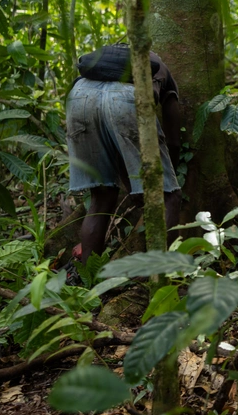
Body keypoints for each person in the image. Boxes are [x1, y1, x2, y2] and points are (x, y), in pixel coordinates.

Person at [66, 44, 182, 265]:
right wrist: (165, 180)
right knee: (169, 198)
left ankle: (88, 277)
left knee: (101, 198)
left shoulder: (105, 59)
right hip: (125, 98)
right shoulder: (163, 70)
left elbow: (117, 142)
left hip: (79, 97)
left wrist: (133, 184)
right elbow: (174, 140)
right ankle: (157, 277)